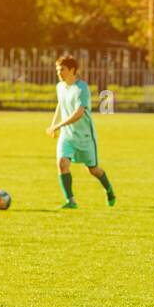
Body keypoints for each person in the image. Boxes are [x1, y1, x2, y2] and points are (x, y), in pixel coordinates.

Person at [47, 55, 114, 209]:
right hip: (67, 136)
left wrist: (58, 125)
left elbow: (79, 113)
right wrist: (53, 125)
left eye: (62, 69)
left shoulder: (81, 88)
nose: (59, 73)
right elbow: (61, 104)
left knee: (93, 170)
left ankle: (109, 189)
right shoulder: (60, 87)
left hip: (85, 137)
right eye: (58, 69)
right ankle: (70, 201)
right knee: (62, 163)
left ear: (72, 70)